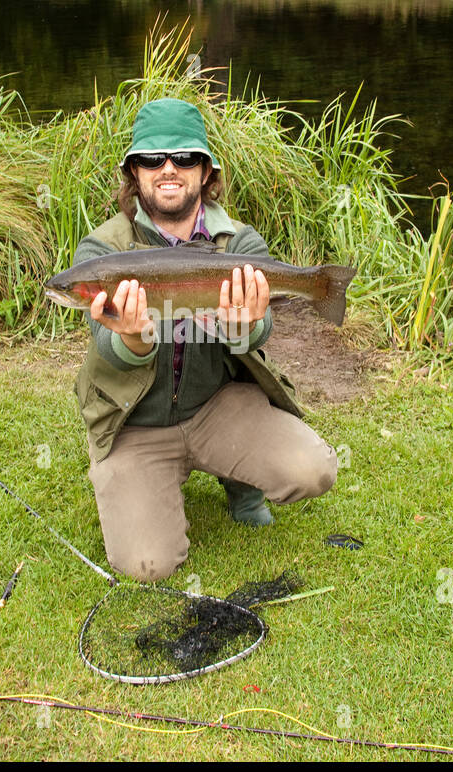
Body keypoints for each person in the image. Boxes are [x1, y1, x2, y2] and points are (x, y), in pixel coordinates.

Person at [73, 98, 338, 583]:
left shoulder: (240, 243)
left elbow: (258, 336)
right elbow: (104, 344)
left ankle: (241, 481)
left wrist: (246, 322)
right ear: (134, 172)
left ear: (206, 170)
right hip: (138, 422)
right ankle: (141, 479)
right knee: (148, 566)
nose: (168, 169)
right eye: (152, 159)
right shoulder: (103, 251)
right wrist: (132, 336)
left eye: (184, 157)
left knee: (314, 470)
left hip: (219, 406)